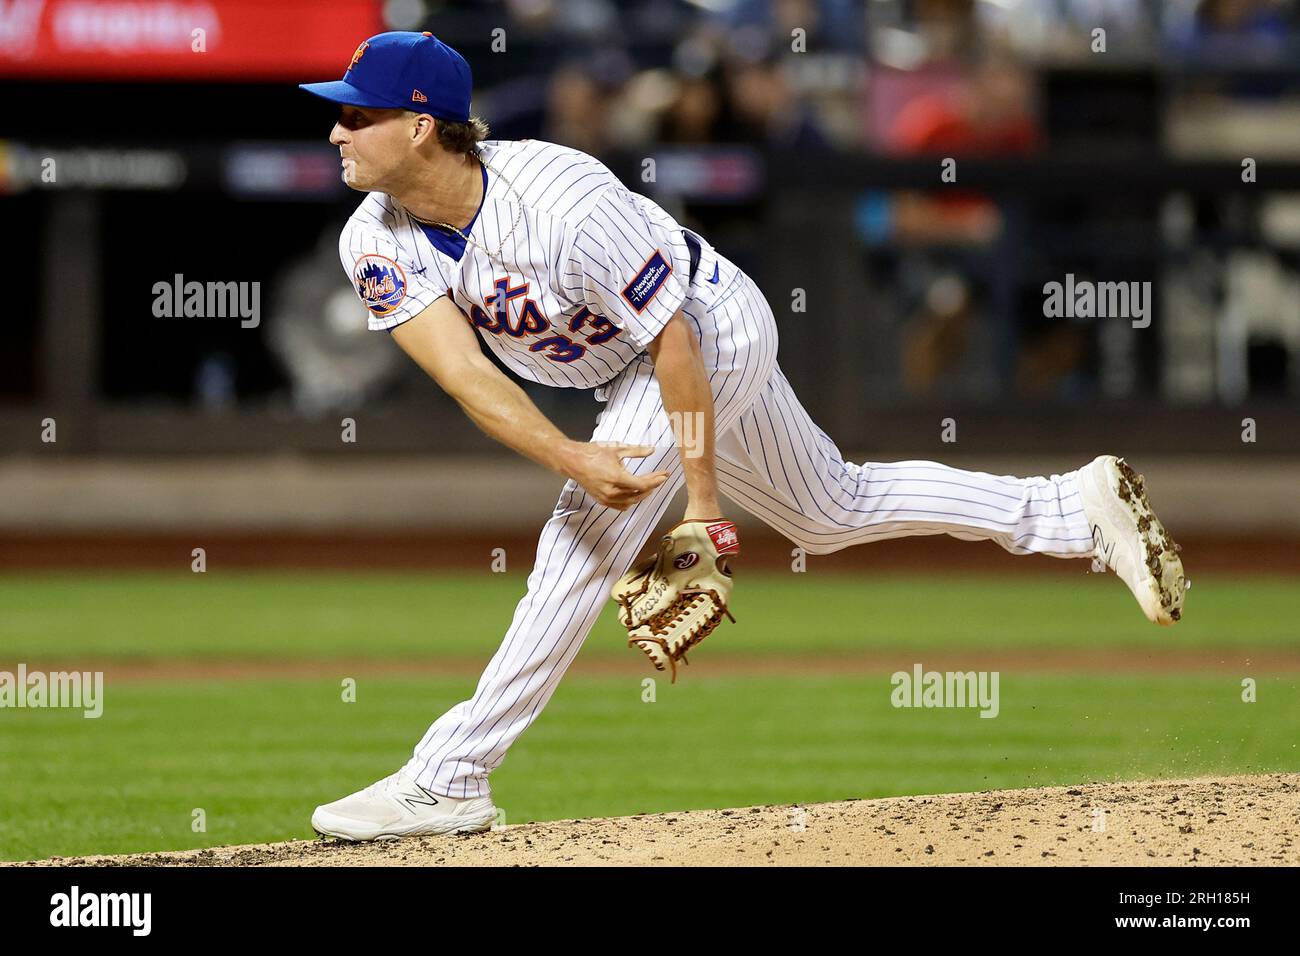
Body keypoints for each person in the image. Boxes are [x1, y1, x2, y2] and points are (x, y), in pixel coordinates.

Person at [299, 31, 1187, 841]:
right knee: (831, 510)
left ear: (422, 128)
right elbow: (465, 374)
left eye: (354, 113)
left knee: (580, 541)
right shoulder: (374, 238)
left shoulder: (559, 200)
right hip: (623, 370)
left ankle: (451, 776)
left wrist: (706, 506)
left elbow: (673, 337)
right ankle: (1070, 508)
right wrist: (572, 454)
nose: (336, 131)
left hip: (707, 324)